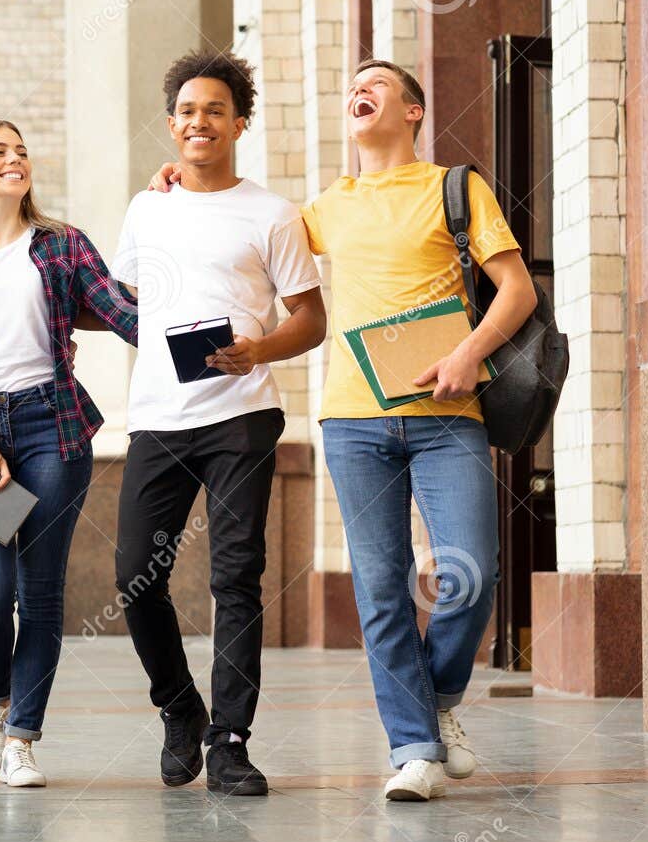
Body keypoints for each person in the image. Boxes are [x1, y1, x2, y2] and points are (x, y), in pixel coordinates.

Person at [150, 59, 537, 800]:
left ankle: (440, 696)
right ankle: (414, 747)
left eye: (378, 83)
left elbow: (516, 290)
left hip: (447, 414)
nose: (358, 89)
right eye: (351, 84)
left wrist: (467, 354)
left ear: (413, 111)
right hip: (353, 419)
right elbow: (245, 222)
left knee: (471, 572)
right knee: (382, 587)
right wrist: (181, 176)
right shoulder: (324, 207)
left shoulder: (453, 186)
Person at [112, 51, 326, 797]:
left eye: (214, 110)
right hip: (158, 418)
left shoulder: (272, 214)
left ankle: (230, 740)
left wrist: (257, 349)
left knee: (236, 576)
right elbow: (129, 300)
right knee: (136, 580)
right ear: (171, 126)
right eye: (187, 112)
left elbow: (311, 319)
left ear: (239, 122)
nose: (199, 122)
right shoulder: (147, 207)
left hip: (243, 414)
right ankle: (178, 706)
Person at [0, 120, 138, 787]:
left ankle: (22, 736)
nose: (16, 159)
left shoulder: (62, 244)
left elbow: (121, 309)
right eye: (0, 152)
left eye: (22, 151)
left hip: (54, 427)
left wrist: (196, 327)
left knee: (41, 592)